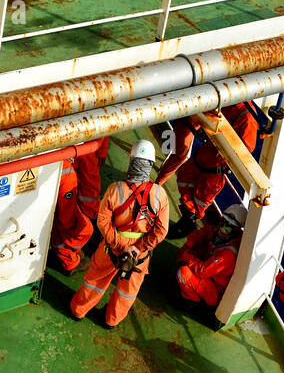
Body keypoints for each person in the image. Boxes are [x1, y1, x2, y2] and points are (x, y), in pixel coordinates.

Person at [70, 139, 169, 327]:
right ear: (150, 164)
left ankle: (78, 310)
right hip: (139, 255)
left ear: (131, 160)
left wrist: (120, 244)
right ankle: (111, 321)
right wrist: (137, 248)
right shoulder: (160, 195)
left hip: (112, 248)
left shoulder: (116, 190)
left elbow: (103, 221)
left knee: (95, 281)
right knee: (127, 292)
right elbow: (161, 230)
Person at [157, 102, 261, 236]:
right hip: (207, 151)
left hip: (217, 165)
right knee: (184, 175)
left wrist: (225, 151)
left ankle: (187, 222)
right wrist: (205, 126)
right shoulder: (227, 101)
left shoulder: (247, 117)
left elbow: (247, 148)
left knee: (201, 197)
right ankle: (188, 216)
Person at [49, 137, 110, 273]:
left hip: (76, 152)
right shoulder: (68, 173)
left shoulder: (85, 153)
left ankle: (67, 251)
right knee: (82, 227)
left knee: (77, 218)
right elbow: (66, 220)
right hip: (72, 158)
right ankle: (67, 260)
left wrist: (102, 148)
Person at [176, 203, 246, 308]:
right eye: (223, 221)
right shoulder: (217, 231)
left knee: (183, 273)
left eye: (228, 225)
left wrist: (186, 257)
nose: (223, 226)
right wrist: (188, 246)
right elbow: (201, 233)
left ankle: (191, 302)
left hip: (214, 289)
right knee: (191, 249)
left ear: (236, 229)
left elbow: (203, 271)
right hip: (209, 270)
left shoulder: (228, 254)